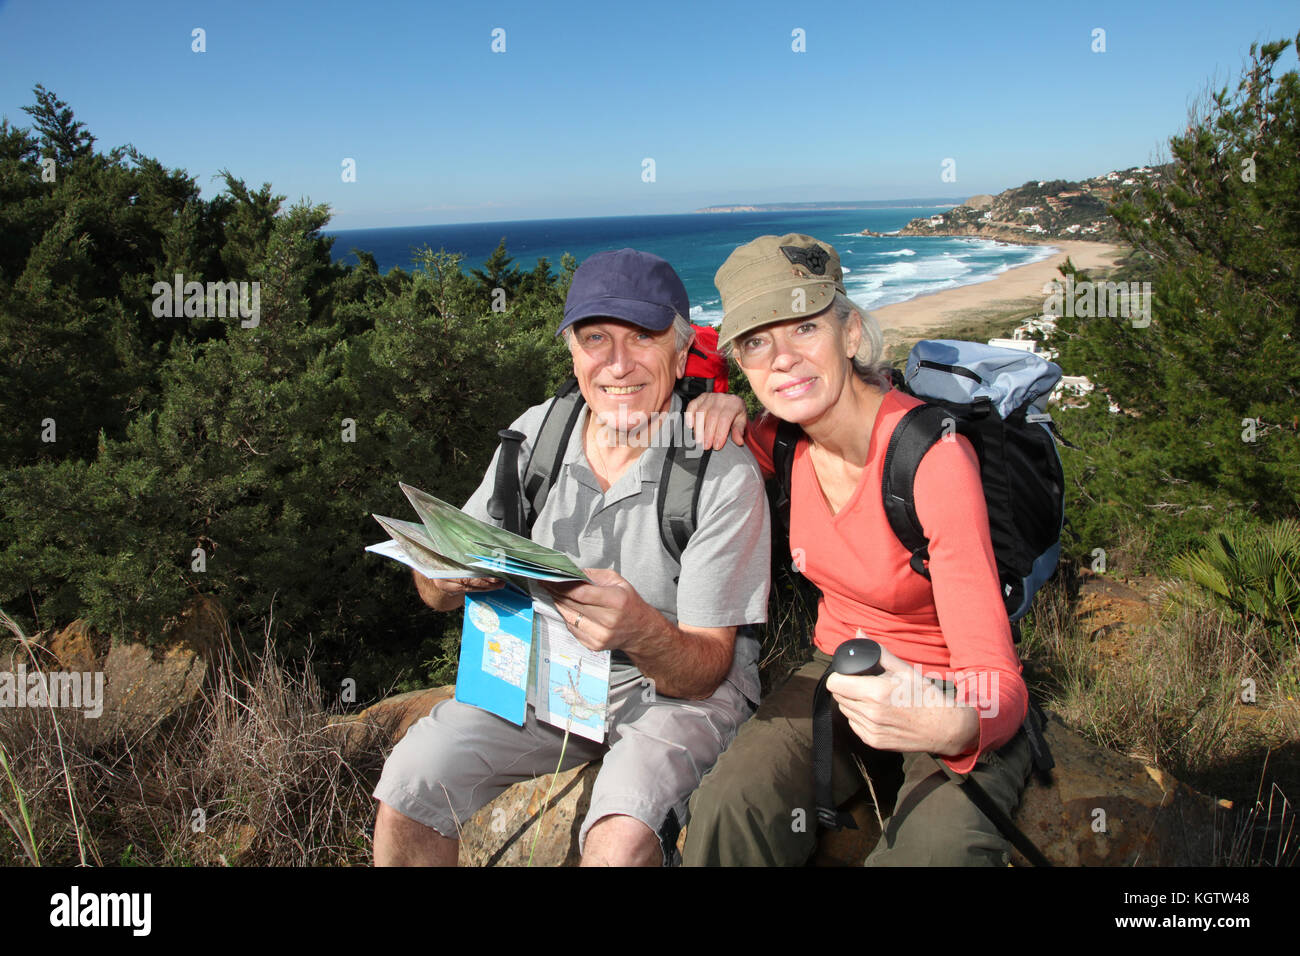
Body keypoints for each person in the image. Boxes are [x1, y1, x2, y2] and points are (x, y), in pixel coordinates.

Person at [372, 248, 770, 867]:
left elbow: (706, 668)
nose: (617, 363)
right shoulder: (537, 435)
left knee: (619, 840)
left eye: (643, 336)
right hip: (556, 677)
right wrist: (450, 577)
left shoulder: (719, 469)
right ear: (571, 350)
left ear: (681, 346)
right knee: (411, 785)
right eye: (594, 338)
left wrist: (640, 629)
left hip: (679, 689)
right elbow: (435, 588)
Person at [680, 234, 1033, 866]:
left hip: (945, 689)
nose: (782, 359)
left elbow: (998, 681)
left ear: (848, 333)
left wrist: (953, 727)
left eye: (804, 327)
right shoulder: (780, 444)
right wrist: (723, 405)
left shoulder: (931, 461)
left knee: (930, 856)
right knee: (730, 807)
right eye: (758, 340)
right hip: (839, 673)